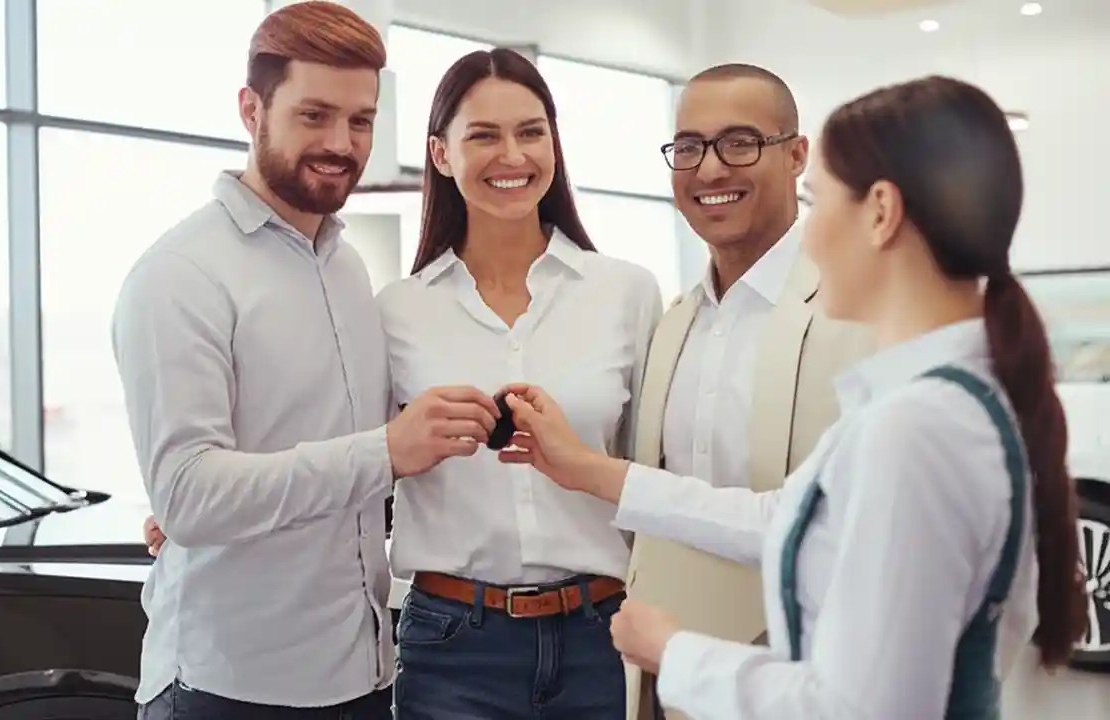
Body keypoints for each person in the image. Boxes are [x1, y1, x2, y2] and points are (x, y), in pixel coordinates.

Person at [498, 75, 1087, 719]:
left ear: (881, 212)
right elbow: (781, 516)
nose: (811, 234)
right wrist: (587, 469)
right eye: (690, 147)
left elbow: (861, 707)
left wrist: (676, 653)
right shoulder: (941, 403)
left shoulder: (915, 427)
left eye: (818, 199)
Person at [111, 3, 499, 717]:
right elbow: (189, 497)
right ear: (251, 109)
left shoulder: (347, 268)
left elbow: (323, 450)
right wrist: (386, 450)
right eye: (314, 115)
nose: (341, 144)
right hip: (227, 689)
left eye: (361, 120)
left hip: (361, 673)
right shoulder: (180, 275)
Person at [378, 48, 661, 719]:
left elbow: (654, 472)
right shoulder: (396, 311)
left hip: (599, 637)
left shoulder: (625, 293)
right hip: (451, 646)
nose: (513, 155)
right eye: (483, 135)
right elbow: (355, 462)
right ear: (440, 154)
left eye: (531, 132)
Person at [614, 62, 877, 720]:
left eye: (739, 143)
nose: (709, 170)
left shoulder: (858, 311)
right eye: (690, 147)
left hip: (809, 678)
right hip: (668, 671)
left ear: (796, 156)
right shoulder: (674, 322)